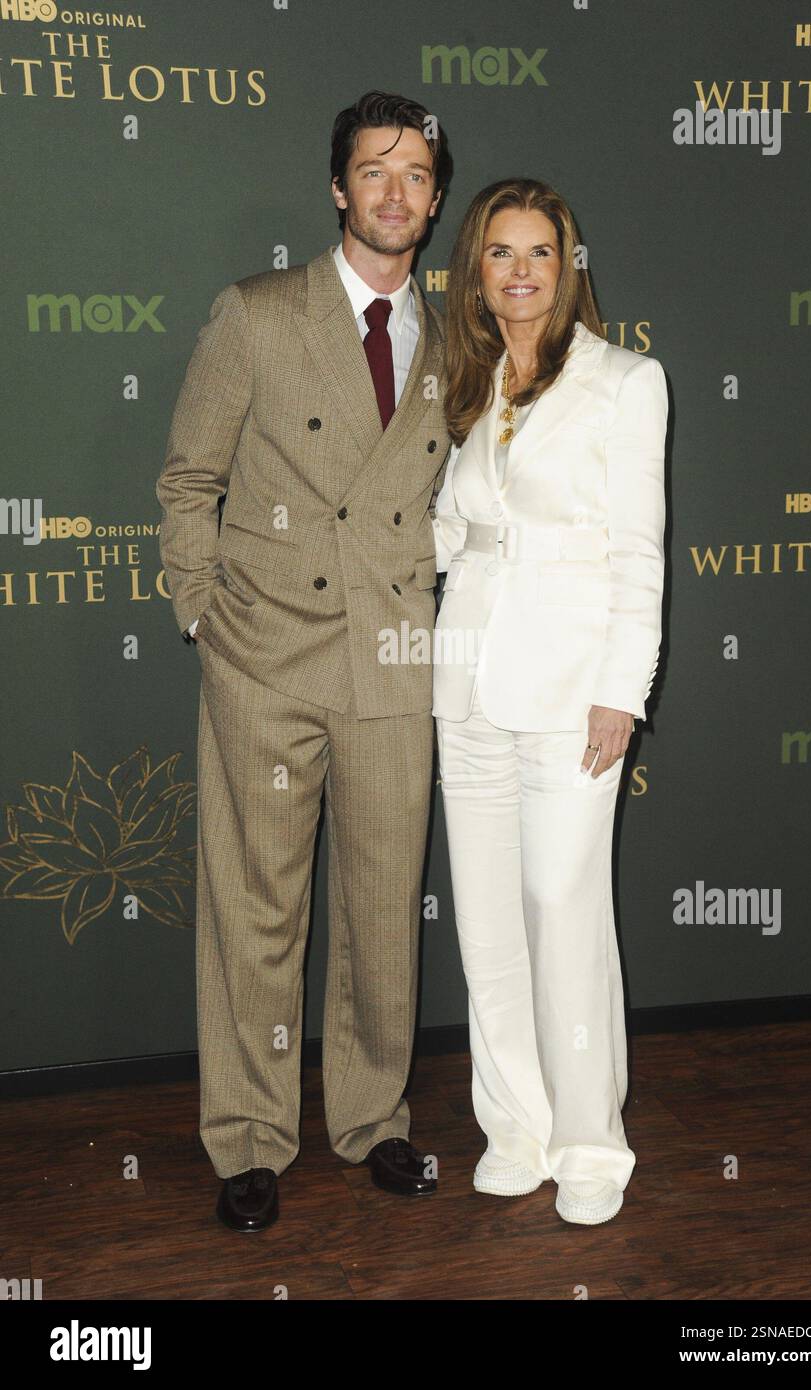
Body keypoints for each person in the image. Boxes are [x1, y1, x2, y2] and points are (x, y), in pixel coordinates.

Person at [156, 91, 453, 1232]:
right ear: (338, 189)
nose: (394, 192)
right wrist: (201, 612)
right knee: (256, 910)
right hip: (267, 658)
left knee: (383, 912)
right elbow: (189, 478)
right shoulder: (259, 313)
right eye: (374, 170)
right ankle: (247, 1137)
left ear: (435, 197)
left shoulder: (453, 339)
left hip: (392, 662)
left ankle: (375, 1120)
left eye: (415, 174)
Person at [431, 179, 668, 1226]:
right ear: (476, 274)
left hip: (574, 692)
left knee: (563, 910)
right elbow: (453, 532)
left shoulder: (626, 381)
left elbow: (639, 553)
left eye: (539, 252)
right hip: (467, 684)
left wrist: (623, 691)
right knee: (487, 924)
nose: (520, 271)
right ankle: (516, 1127)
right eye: (500, 253)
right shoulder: (471, 382)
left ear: (569, 266)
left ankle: (589, 1143)